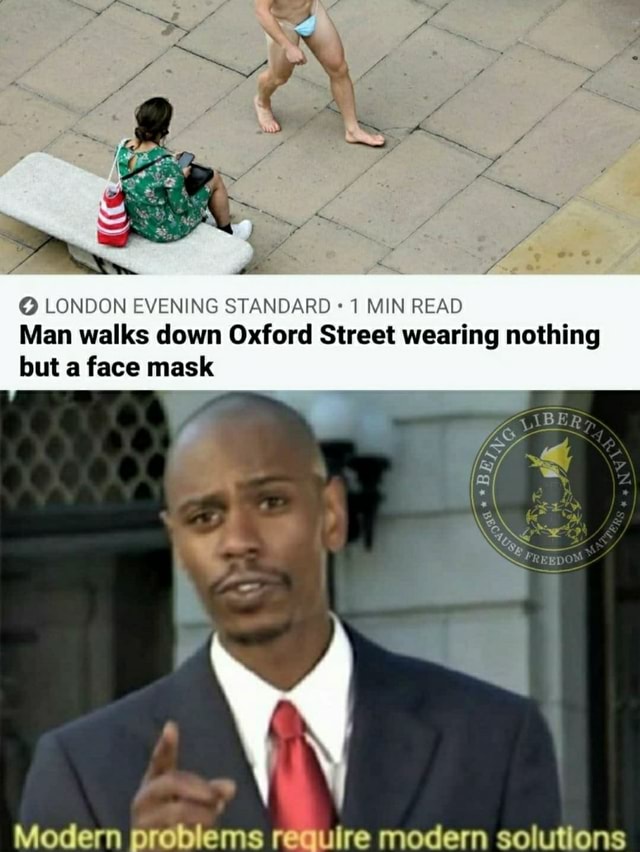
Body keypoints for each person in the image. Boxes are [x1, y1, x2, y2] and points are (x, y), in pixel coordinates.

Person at [19, 394, 560, 850]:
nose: (238, 542)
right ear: (178, 544)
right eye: (204, 518)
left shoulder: (493, 739)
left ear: (331, 514)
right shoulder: (80, 772)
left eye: (271, 502)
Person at [118, 97, 252, 242]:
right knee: (214, 178)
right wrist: (179, 175)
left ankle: (208, 214)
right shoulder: (166, 163)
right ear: (164, 129)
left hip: (137, 219)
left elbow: (144, 176)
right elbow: (180, 206)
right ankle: (228, 233)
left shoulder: (123, 147)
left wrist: (171, 165)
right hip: (164, 229)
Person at [254, 0, 385, 147]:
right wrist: (288, 46)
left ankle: (352, 130)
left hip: (312, 9)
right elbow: (262, 12)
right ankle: (262, 102)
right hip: (283, 24)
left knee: (338, 67)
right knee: (279, 77)